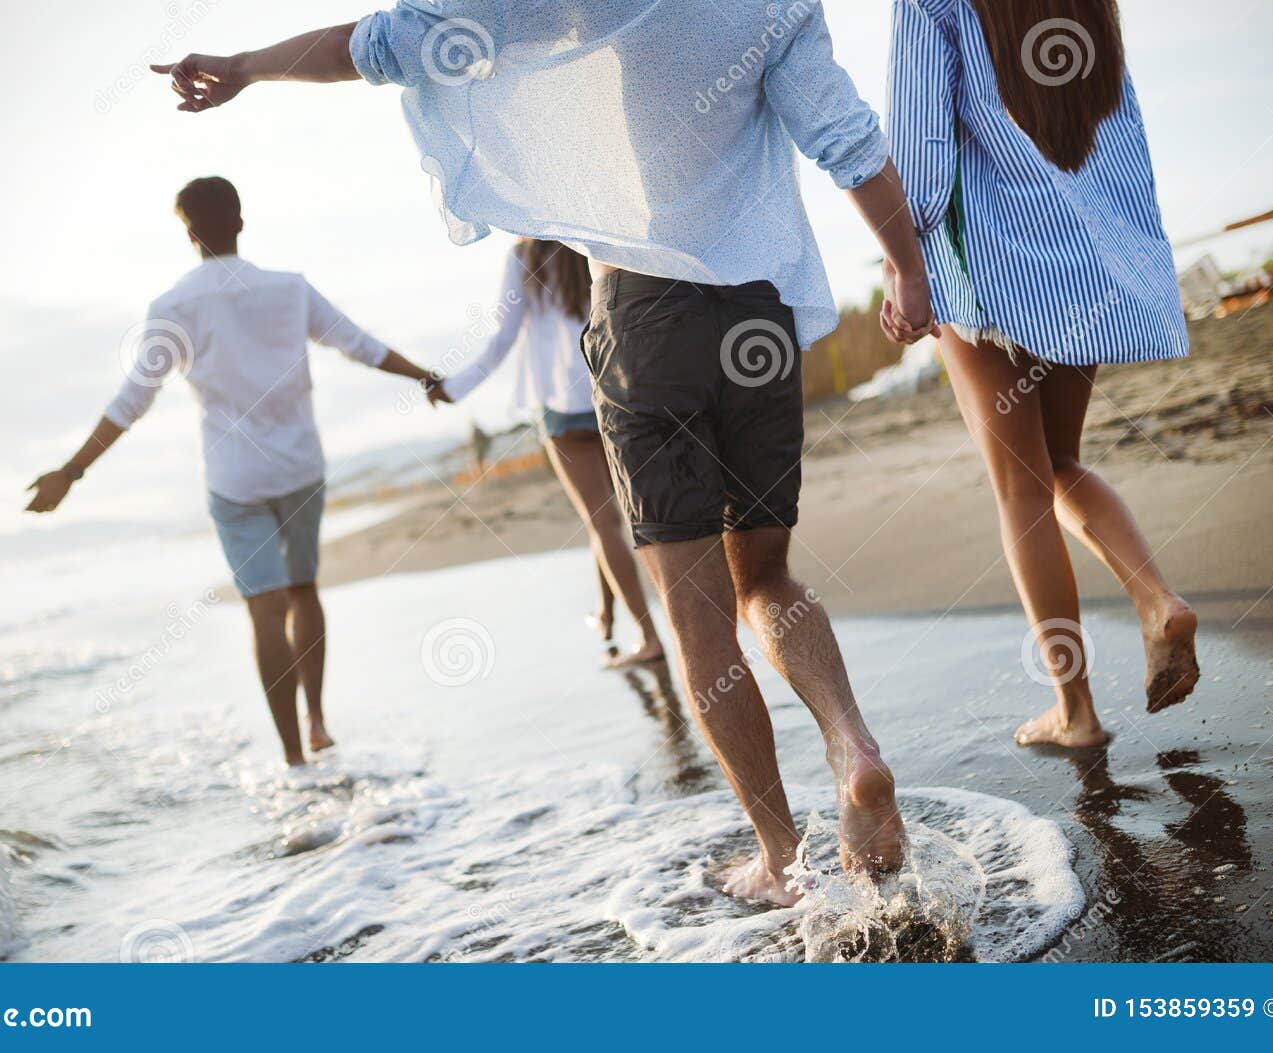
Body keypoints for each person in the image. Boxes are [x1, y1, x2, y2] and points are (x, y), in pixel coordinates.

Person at [149, 1, 937, 906]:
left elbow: (368, 46)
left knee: (697, 621)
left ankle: (780, 859)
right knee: (766, 579)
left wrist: (245, 65)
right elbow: (847, 138)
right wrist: (906, 268)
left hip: (645, 322)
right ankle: (850, 742)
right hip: (755, 317)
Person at [24, 176, 443, 767]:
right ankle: (318, 722)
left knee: (265, 610)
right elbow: (359, 345)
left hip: (236, 480)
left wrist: (71, 471)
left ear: (189, 234)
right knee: (304, 593)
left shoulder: (172, 307)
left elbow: (130, 403)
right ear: (241, 222)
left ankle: (294, 757)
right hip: (300, 467)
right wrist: (424, 375)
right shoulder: (289, 289)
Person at [887, 0, 1199, 748]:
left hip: (986, 263)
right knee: (1059, 463)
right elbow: (1121, 127)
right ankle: (1155, 599)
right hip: (1083, 253)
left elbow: (920, 148)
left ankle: (1077, 711)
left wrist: (906, 262)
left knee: (1022, 488)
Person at [427, 238, 664, 667]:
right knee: (614, 521)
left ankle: (648, 637)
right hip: (615, 387)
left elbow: (501, 339)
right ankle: (606, 612)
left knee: (602, 522)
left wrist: (452, 388)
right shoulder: (593, 234)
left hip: (560, 407)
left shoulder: (525, 258)